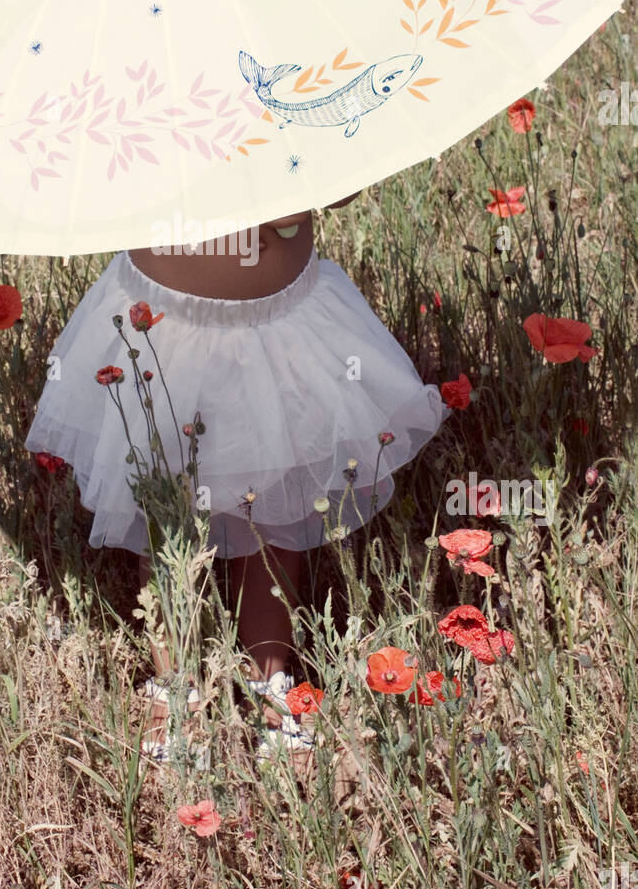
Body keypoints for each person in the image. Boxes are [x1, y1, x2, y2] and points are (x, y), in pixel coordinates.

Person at [25, 194, 448, 759]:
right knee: (167, 511)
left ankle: (269, 678)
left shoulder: (284, 102)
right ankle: (176, 683)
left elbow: (340, 183)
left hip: (279, 324)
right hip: (167, 322)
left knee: (272, 511)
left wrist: (303, 186)